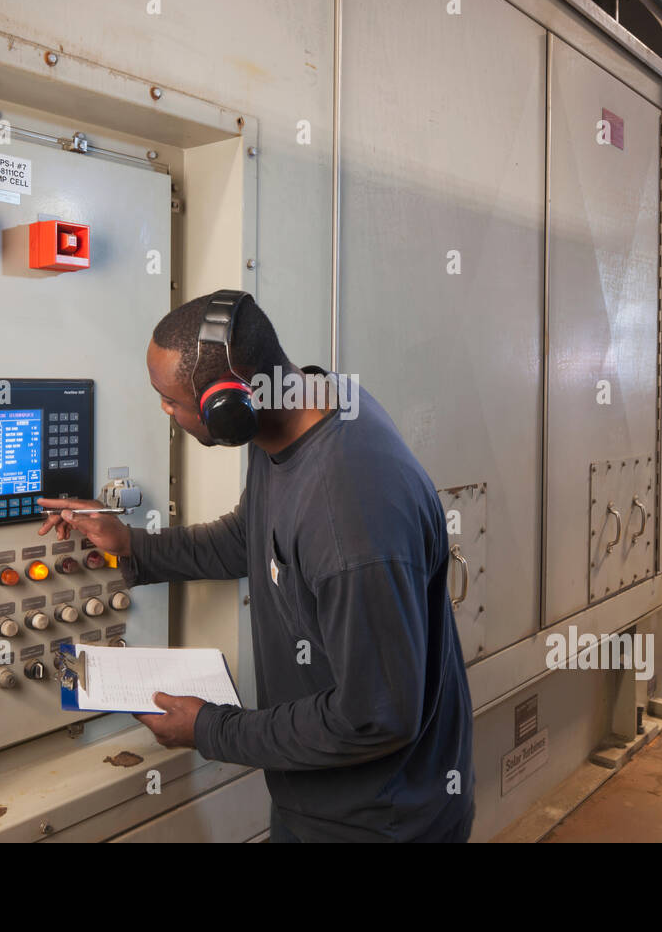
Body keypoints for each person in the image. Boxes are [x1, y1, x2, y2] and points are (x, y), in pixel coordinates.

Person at [38, 290, 475, 842]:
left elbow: (375, 718)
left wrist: (208, 728)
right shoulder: (309, 404)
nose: (166, 414)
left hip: (379, 821)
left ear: (229, 402)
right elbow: (253, 534)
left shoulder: (348, 519)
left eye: (171, 401)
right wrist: (131, 544)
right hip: (324, 799)